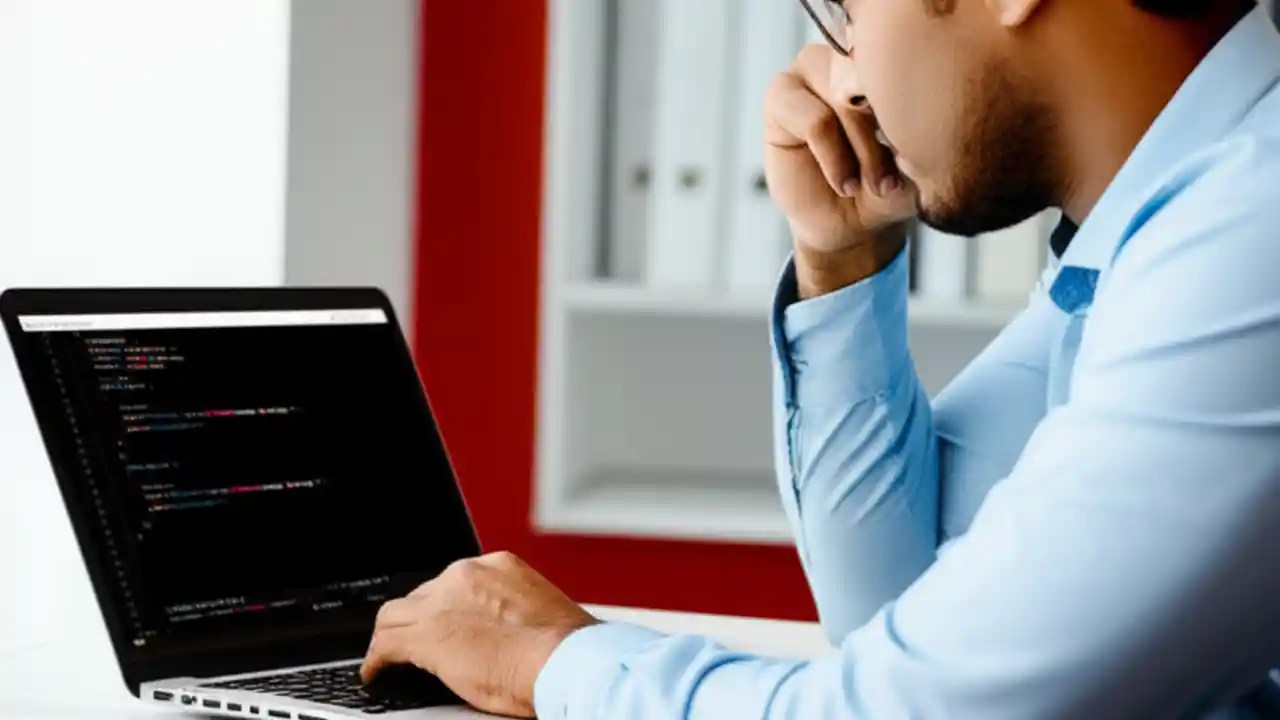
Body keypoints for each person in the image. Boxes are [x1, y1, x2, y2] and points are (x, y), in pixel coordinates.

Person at [360, 0, 1280, 717]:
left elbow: (915, 710)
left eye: (845, 9)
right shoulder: (1160, 226)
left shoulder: (1251, 233)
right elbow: (900, 608)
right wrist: (840, 256)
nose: (843, 76)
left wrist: (548, 661)